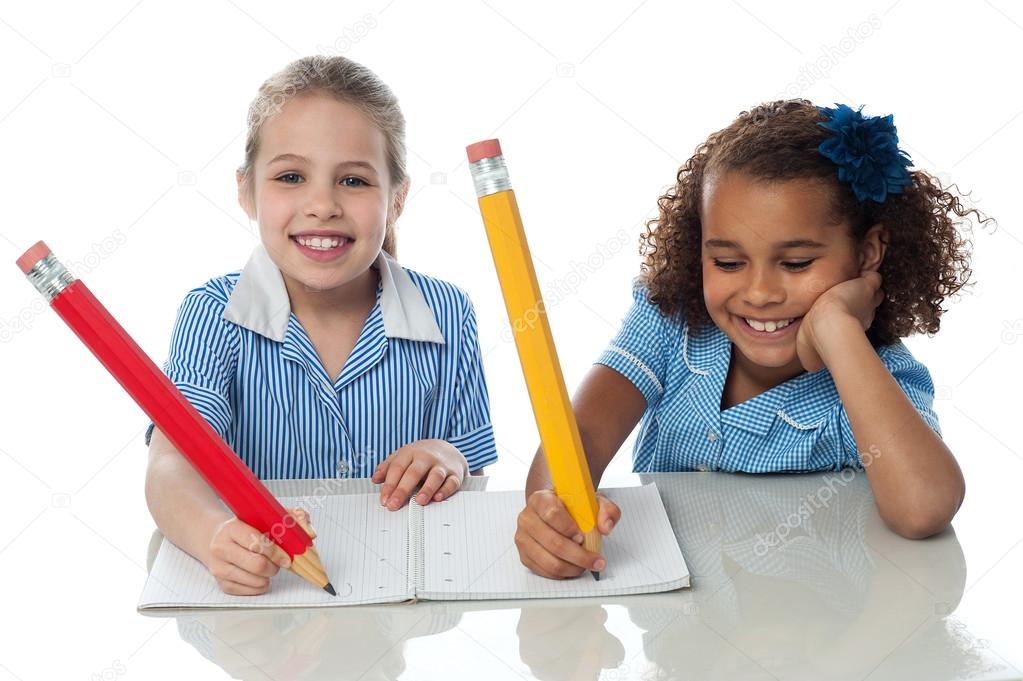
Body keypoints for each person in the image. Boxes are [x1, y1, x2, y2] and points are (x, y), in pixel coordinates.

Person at [516, 99, 987, 580]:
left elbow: (923, 509)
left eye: (797, 263)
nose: (760, 293)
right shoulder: (669, 324)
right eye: (727, 263)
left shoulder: (876, 377)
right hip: (688, 639)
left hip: (814, 643)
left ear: (867, 253)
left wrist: (837, 330)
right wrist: (551, 511)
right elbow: (582, 435)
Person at [146, 55, 497, 595]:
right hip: (266, 612)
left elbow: (470, 466)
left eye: (353, 180)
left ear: (397, 200)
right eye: (291, 176)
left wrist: (449, 459)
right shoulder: (212, 313)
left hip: (402, 598)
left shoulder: (448, 311)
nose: (322, 205)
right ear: (246, 192)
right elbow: (171, 466)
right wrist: (212, 534)